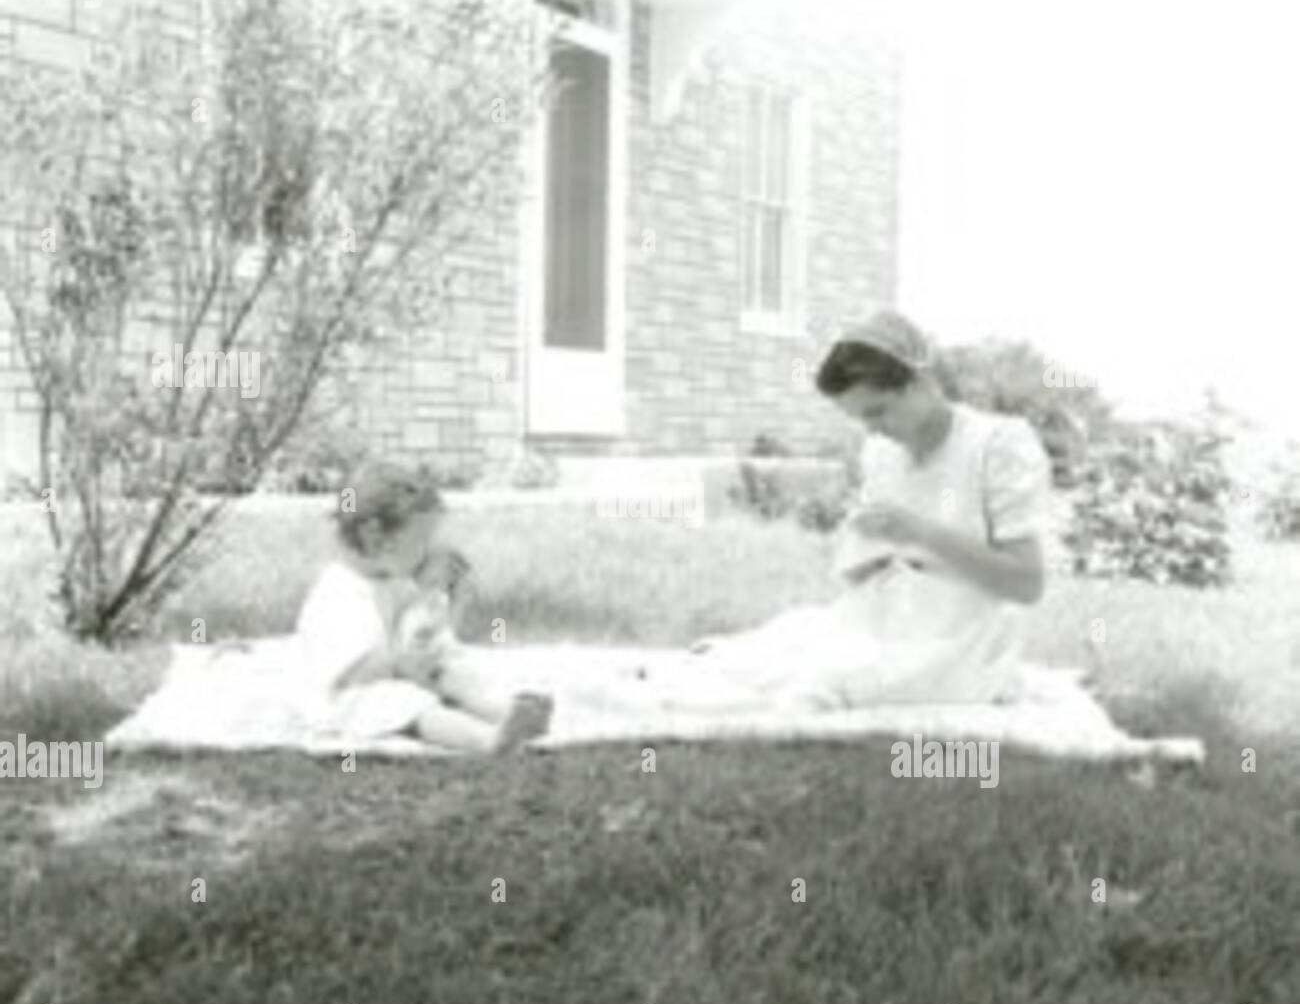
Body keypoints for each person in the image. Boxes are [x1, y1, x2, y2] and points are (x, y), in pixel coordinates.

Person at [573, 309, 1053, 720]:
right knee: (776, 649)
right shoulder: (882, 453)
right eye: (861, 418)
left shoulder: (998, 445)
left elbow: (1027, 583)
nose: (872, 429)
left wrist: (920, 533)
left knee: (826, 679)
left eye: (879, 411)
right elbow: (865, 569)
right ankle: (645, 690)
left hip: (962, 632)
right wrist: (863, 549)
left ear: (920, 383)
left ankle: (673, 709)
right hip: (889, 612)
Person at [296, 463, 552, 750]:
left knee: (452, 675)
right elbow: (349, 674)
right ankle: (486, 739)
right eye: (421, 541)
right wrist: (402, 663)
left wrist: (447, 602)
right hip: (348, 698)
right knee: (401, 701)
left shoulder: (395, 581)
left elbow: (425, 630)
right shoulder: (337, 596)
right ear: (375, 536)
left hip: (400, 673)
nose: (429, 550)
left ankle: (503, 713)